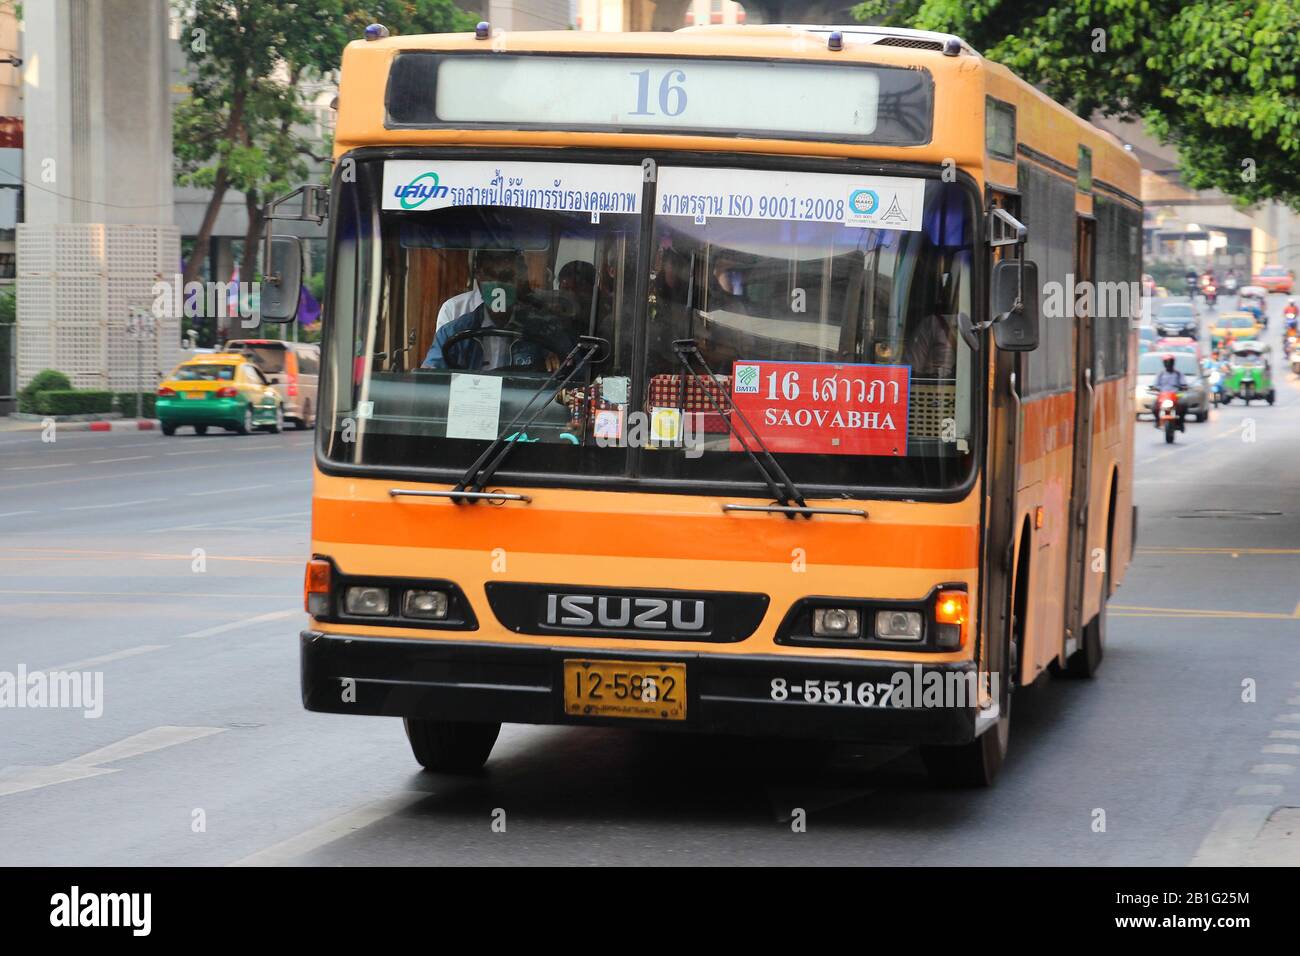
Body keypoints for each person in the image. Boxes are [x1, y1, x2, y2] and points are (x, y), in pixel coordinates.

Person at [421, 249, 572, 371]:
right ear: (479, 279)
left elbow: (572, 370)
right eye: (490, 275)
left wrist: (556, 361)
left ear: (518, 281)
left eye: (506, 276)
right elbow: (430, 381)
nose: (498, 284)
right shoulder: (451, 333)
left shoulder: (546, 329)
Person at [1153, 353, 1189, 424]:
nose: (1168, 364)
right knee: (1153, 405)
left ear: (1173, 363)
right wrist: (1155, 388)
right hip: (1163, 395)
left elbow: (1184, 384)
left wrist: (1184, 387)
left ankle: (1181, 421)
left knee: (1184, 403)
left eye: (1170, 362)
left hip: (1176, 395)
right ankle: (1157, 420)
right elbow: (1156, 385)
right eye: (1166, 362)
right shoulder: (1161, 374)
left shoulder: (1178, 374)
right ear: (1164, 363)